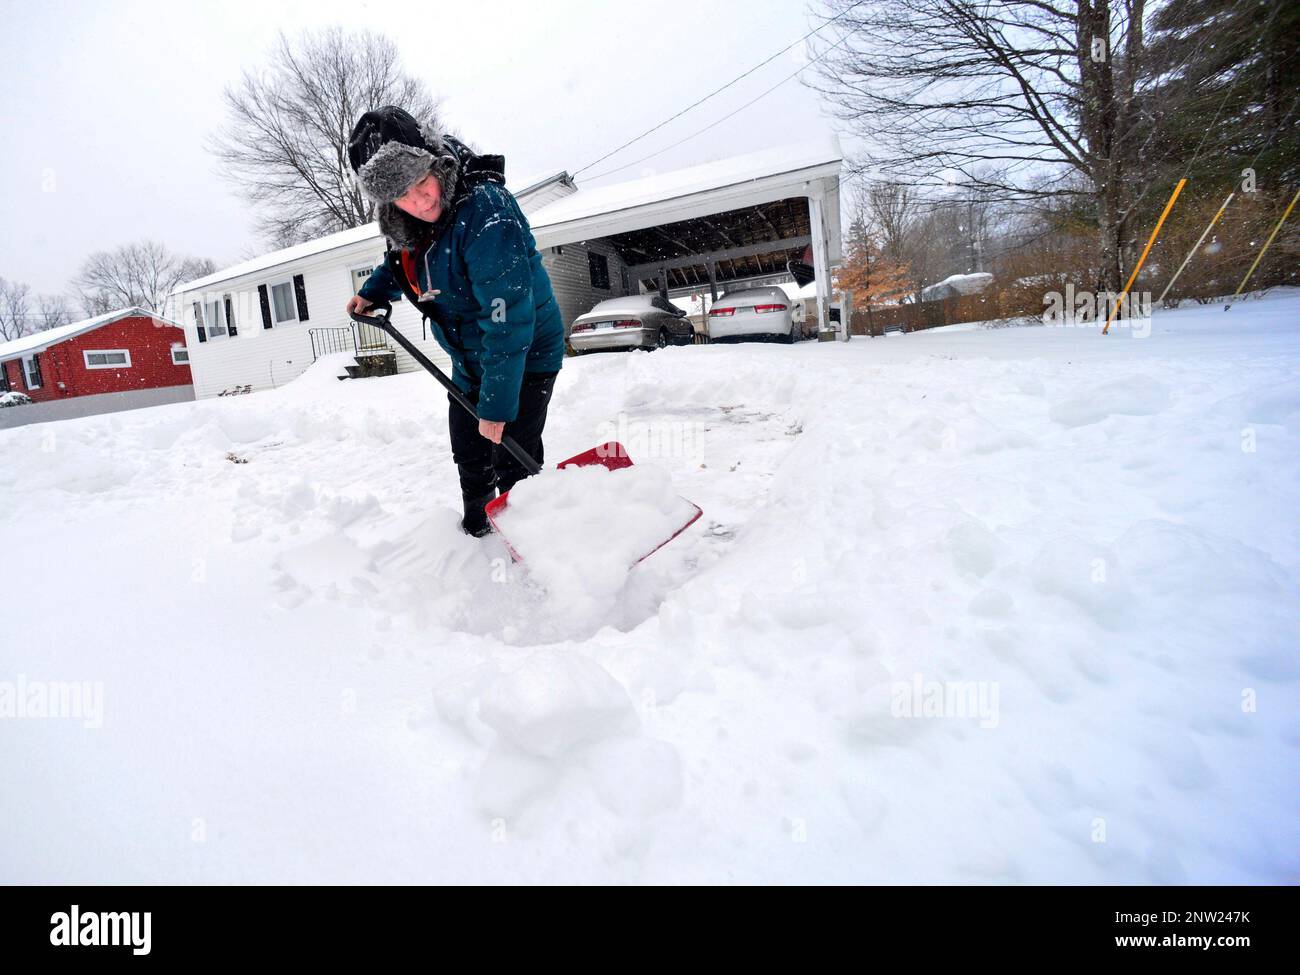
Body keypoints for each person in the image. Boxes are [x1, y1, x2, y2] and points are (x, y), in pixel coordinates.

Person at [345, 106, 565, 537]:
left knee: (511, 452)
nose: (419, 201)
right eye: (402, 197)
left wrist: (498, 405)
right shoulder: (408, 220)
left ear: (436, 163)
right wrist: (371, 292)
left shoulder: (486, 212)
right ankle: (479, 531)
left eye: (421, 183)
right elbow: (403, 262)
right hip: (471, 356)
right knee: (469, 448)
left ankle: (534, 537)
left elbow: (507, 319)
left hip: (526, 349)